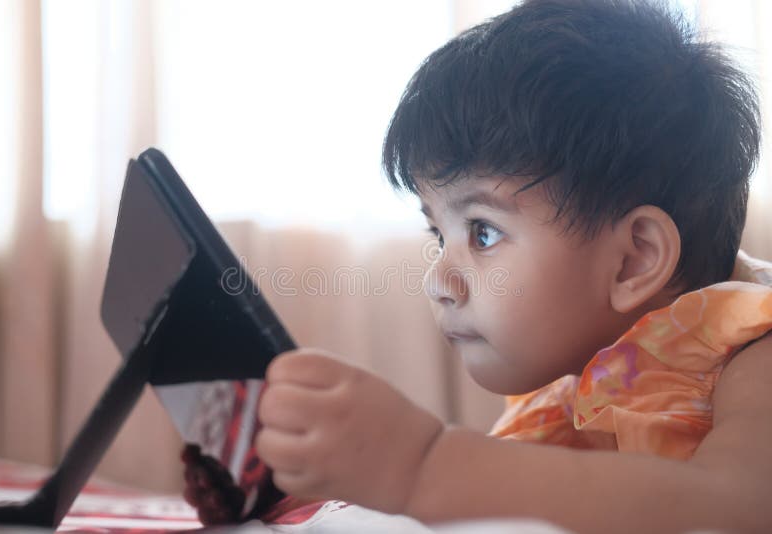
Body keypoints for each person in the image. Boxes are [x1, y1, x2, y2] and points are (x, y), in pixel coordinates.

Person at [184, 0, 772, 532]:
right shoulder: (581, 378)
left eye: (482, 233)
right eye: (437, 233)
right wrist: (301, 485)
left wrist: (423, 465)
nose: (438, 280)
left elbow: (737, 509)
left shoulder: (752, 352)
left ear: (633, 259)